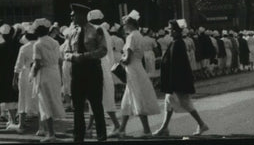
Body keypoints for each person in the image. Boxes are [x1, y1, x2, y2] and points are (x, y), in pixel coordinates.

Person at [153, 19, 209, 137]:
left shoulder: (178, 43)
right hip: (175, 79)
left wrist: (172, 81)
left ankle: (201, 123)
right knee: (169, 102)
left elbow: (177, 64)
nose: (170, 32)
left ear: (176, 31)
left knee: (185, 102)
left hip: (178, 79)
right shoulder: (175, 42)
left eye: (172, 29)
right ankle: (164, 127)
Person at [64, 2, 108, 143]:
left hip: (92, 70)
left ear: (81, 16)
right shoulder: (72, 32)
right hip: (77, 71)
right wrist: (72, 57)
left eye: (73, 15)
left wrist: (85, 56)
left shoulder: (96, 30)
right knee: (78, 107)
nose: (71, 18)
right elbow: (65, 52)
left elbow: (103, 50)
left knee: (96, 105)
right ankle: (78, 137)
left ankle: (101, 136)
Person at [113, 9, 160, 137]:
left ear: (130, 24)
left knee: (136, 97)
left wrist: (121, 61)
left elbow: (127, 58)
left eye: (125, 24)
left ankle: (146, 130)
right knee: (127, 100)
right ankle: (122, 129)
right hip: (137, 67)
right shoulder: (139, 35)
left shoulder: (131, 37)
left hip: (132, 69)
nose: (124, 27)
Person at [30, 17, 65, 143]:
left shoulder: (37, 44)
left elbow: (37, 63)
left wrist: (32, 74)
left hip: (44, 74)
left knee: (45, 102)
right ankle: (50, 131)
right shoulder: (55, 42)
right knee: (52, 100)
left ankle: (51, 134)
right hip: (54, 73)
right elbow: (60, 60)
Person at [87, 10, 121, 133]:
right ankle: (90, 126)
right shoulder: (103, 30)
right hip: (104, 65)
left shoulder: (94, 30)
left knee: (97, 96)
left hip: (97, 65)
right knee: (99, 96)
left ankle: (116, 125)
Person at [10, 27, 39, 132]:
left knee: (22, 98)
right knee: (37, 97)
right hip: (38, 73)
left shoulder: (24, 48)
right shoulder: (40, 45)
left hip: (26, 73)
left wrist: (14, 78)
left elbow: (18, 65)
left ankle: (21, 124)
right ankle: (41, 126)